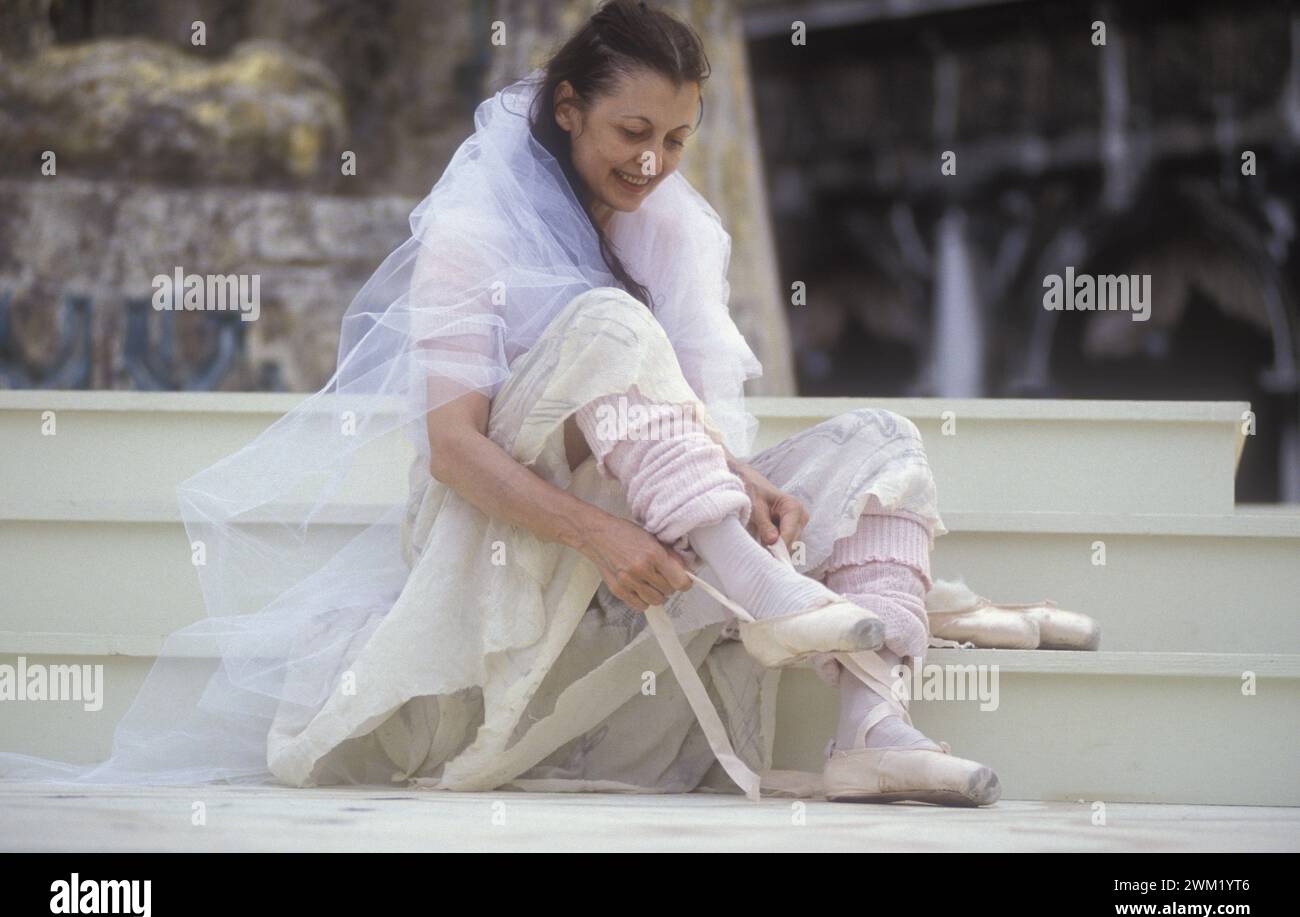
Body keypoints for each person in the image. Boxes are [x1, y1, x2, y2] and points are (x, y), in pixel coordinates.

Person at [1, 0, 998, 806]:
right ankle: (760, 588)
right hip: (510, 543)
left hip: (662, 518)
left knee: (877, 436)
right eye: (632, 131)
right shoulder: (474, 229)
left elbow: (658, 414)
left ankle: (873, 731)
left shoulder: (671, 236)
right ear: (567, 108)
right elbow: (452, 449)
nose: (653, 161)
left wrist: (738, 475)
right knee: (604, 326)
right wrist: (598, 539)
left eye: (679, 139)